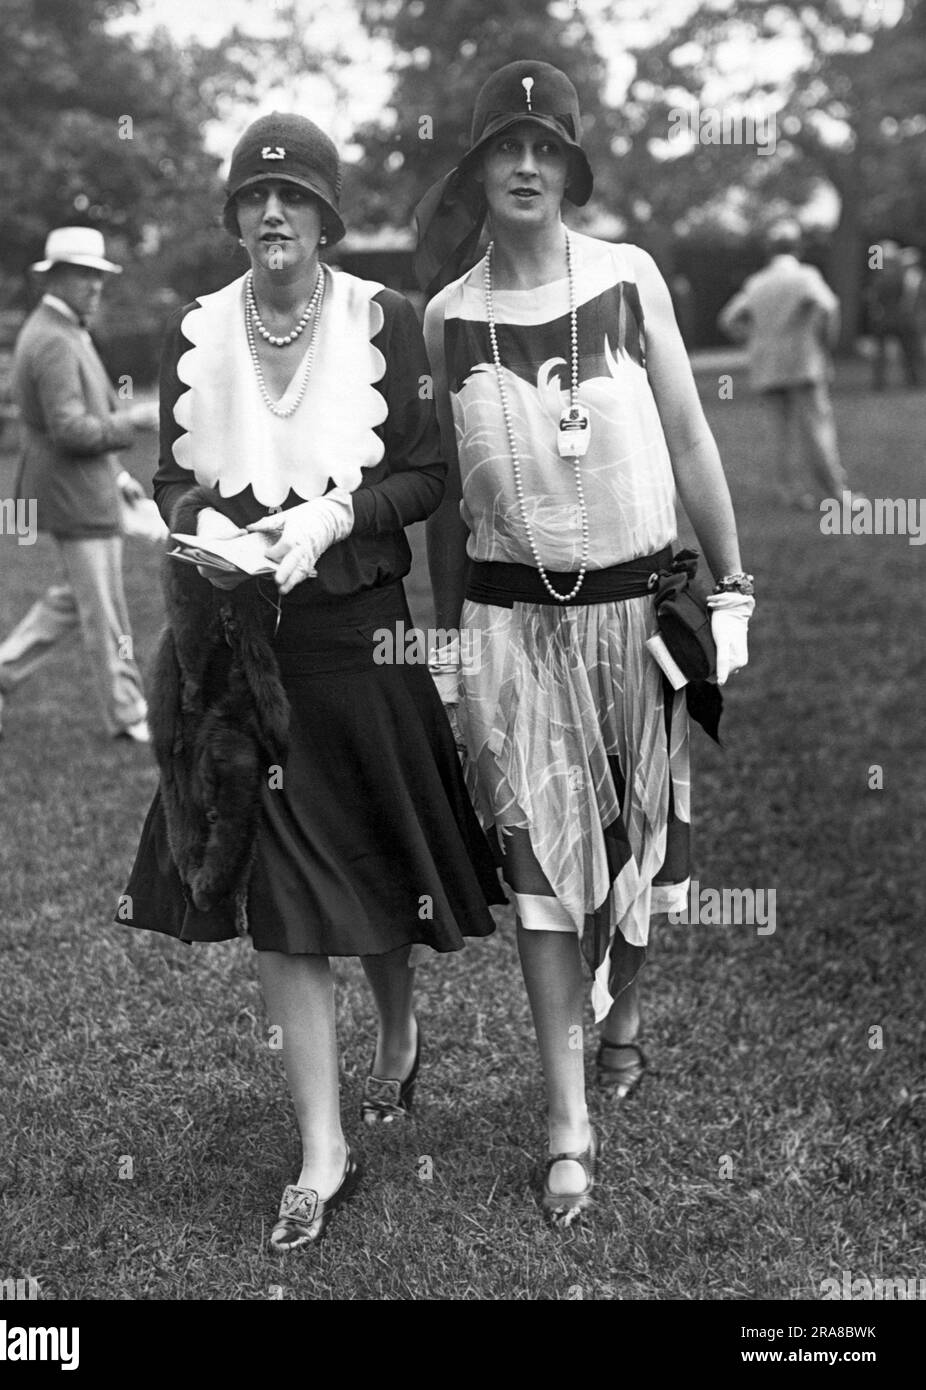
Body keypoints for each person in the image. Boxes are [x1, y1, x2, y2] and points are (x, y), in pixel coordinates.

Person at [116, 113, 502, 1253]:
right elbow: (164, 478)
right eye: (252, 199)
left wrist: (337, 510)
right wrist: (206, 536)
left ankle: (397, 1026)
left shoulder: (381, 321)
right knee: (283, 907)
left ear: (327, 217)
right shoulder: (196, 335)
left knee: (377, 873)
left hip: (359, 645)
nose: (271, 215)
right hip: (245, 658)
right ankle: (322, 1149)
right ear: (234, 216)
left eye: (292, 200)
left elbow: (431, 474)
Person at [418, 61, 753, 1228]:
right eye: (504, 147)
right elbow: (452, 514)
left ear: (566, 167)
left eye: (544, 148)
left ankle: (621, 1018)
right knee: (539, 876)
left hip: (635, 618)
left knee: (647, 864)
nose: (524, 165)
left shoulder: (624, 278)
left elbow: (689, 435)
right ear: (474, 172)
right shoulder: (446, 317)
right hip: (510, 630)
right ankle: (566, 1116)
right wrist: (449, 651)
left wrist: (733, 582)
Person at [0, 226, 156, 740]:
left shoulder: (63, 328)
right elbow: (71, 430)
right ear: (55, 278)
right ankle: (128, 713)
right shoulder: (53, 338)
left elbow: (80, 415)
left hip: (85, 487)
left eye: (98, 276)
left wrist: (117, 476)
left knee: (77, 599)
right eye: (83, 275)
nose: (95, 286)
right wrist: (135, 422)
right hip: (73, 494)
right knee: (105, 608)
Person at [718, 221, 850, 509]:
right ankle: (836, 491)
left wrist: (752, 338)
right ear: (798, 247)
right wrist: (826, 341)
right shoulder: (805, 276)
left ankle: (789, 493)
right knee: (816, 427)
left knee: (779, 432)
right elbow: (829, 307)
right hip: (803, 361)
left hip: (766, 364)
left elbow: (728, 318)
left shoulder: (756, 283)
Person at [864, 241, 923, 390]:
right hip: (893, 318)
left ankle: (906, 380)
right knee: (901, 352)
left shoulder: (884, 274)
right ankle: (910, 380)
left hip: (892, 318)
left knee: (904, 352)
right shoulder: (891, 274)